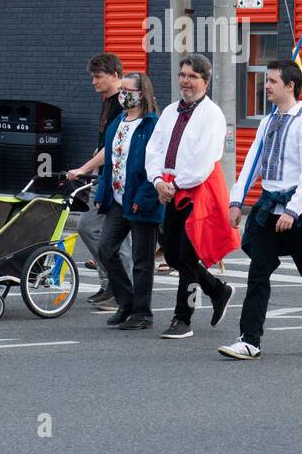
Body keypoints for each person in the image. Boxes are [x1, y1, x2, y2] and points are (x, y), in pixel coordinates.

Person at [219, 60, 302, 360]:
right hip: (268, 210)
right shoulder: (267, 122)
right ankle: (249, 340)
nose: (266, 85)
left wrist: (292, 212)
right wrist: (236, 200)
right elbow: (253, 164)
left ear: (290, 85)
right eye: (266, 80)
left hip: (299, 216)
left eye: (272, 81)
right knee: (258, 273)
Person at [145, 54, 237, 340]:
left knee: (187, 253)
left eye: (192, 76)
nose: (185, 81)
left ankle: (182, 319)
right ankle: (217, 289)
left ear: (205, 81)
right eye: (182, 75)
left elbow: (204, 159)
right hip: (171, 189)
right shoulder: (171, 111)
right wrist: (158, 180)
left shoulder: (213, 115)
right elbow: (155, 149)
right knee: (171, 253)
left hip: (198, 192)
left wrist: (175, 184)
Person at [93, 72, 162, 330]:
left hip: (141, 202)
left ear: (141, 93)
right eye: (121, 90)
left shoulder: (152, 125)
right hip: (119, 201)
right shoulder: (118, 123)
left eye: (127, 90)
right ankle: (126, 302)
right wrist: (103, 195)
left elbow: (157, 165)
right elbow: (111, 163)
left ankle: (142, 313)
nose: (122, 95)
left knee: (142, 260)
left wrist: (145, 197)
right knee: (106, 248)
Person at [67, 53, 130, 310]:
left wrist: (84, 169)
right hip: (105, 176)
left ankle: (123, 290)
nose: (93, 82)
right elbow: (104, 144)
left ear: (115, 75)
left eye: (98, 77)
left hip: (120, 180)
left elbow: (115, 145)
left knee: (117, 237)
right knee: (88, 227)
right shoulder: (107, 102)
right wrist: (92, 164)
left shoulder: (123, 102)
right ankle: (110, 283)